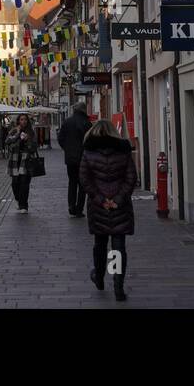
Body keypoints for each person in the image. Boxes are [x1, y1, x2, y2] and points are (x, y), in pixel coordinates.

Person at [79, 119, 138, 302]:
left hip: (99, 206)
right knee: (118, 248)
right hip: (119, 206)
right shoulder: (123, 151)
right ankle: (118, 287)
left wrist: (101, 200)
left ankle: (99, 276)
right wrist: (117, 200)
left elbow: (85, 180)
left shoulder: (88, 152)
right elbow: (131, 178)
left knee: (100, 244)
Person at [58, 102, 93, 217]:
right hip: (83, 157)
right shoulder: (87, 123)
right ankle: (79, 209)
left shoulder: (67, 122)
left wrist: (66, 149)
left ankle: (71, 206)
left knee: (72, 182)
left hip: (70, 158)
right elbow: (91, 141)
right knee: (82, 184)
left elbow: (60, 138)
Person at [5, 113, 40, 213]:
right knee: (15, 184)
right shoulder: (14, 130)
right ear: (18, 121)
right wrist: (18, 136)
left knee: (24, 184)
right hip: (15, 160)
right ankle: (18, 200)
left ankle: (24, 206)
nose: (23, 121)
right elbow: (7, 141)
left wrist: (27, 140)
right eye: (21, 119)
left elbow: (34, 147)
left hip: (26, 160)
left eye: (25, 119)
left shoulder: (31, 132)